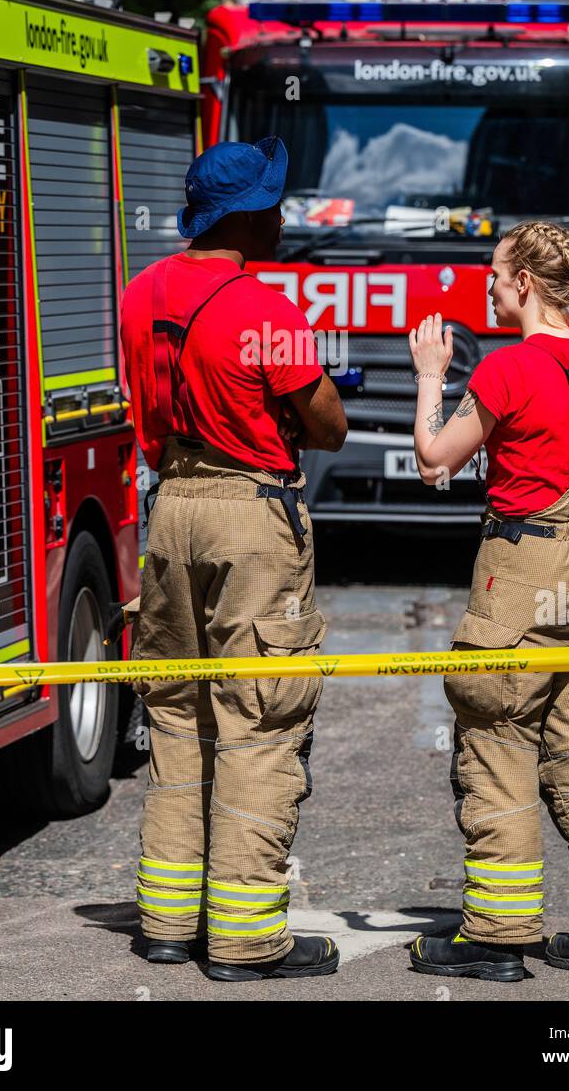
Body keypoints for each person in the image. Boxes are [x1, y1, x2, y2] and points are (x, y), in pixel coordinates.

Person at [120, 135, 347, 982]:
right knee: (261, 720)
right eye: (277, 205)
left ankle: (168, 925)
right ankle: (249, 940)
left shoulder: (142, 294)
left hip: (170, 510)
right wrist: (310, 399)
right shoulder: (268, 310)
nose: (285, 218)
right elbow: (324, 424)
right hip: (250, 516)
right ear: (249, 217)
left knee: (177, 717)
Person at [406, 220, 569, 982]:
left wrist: (430, 374)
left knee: (499, 739)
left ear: (523, 285)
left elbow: (432, 460)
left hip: (521, 563)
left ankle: (501, 938)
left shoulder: (509, 369)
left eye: (493, 272)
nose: (485, 284)